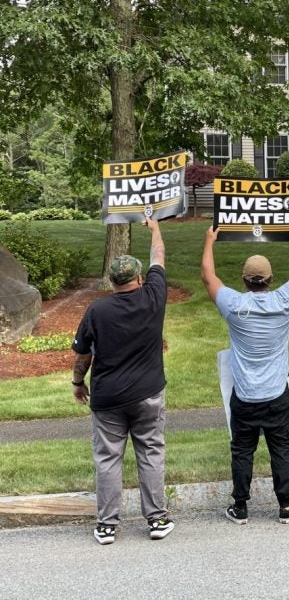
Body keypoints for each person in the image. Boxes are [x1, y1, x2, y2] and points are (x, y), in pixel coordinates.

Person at [201, 216, 289, 526]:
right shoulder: (285, 301)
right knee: (281, 447)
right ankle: (286, 505)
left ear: (244, 279)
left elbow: (208, 276)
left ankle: (240, 507)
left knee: (242, 450)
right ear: (271, 278)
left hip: (245, 395)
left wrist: (209, 241)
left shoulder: (234, 305)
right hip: (276, 393)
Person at [71, 216, 174, 545]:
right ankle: (157, 519)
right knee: (151, 453)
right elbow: (158, 255)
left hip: (108, 398)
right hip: (148, 394)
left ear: (112, 281)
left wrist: (77, 383)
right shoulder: (153, 296)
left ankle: (107, 525)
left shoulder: (97, 311)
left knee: (108, 458)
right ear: (139, 278)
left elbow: (83, 355)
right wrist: (155, 228)